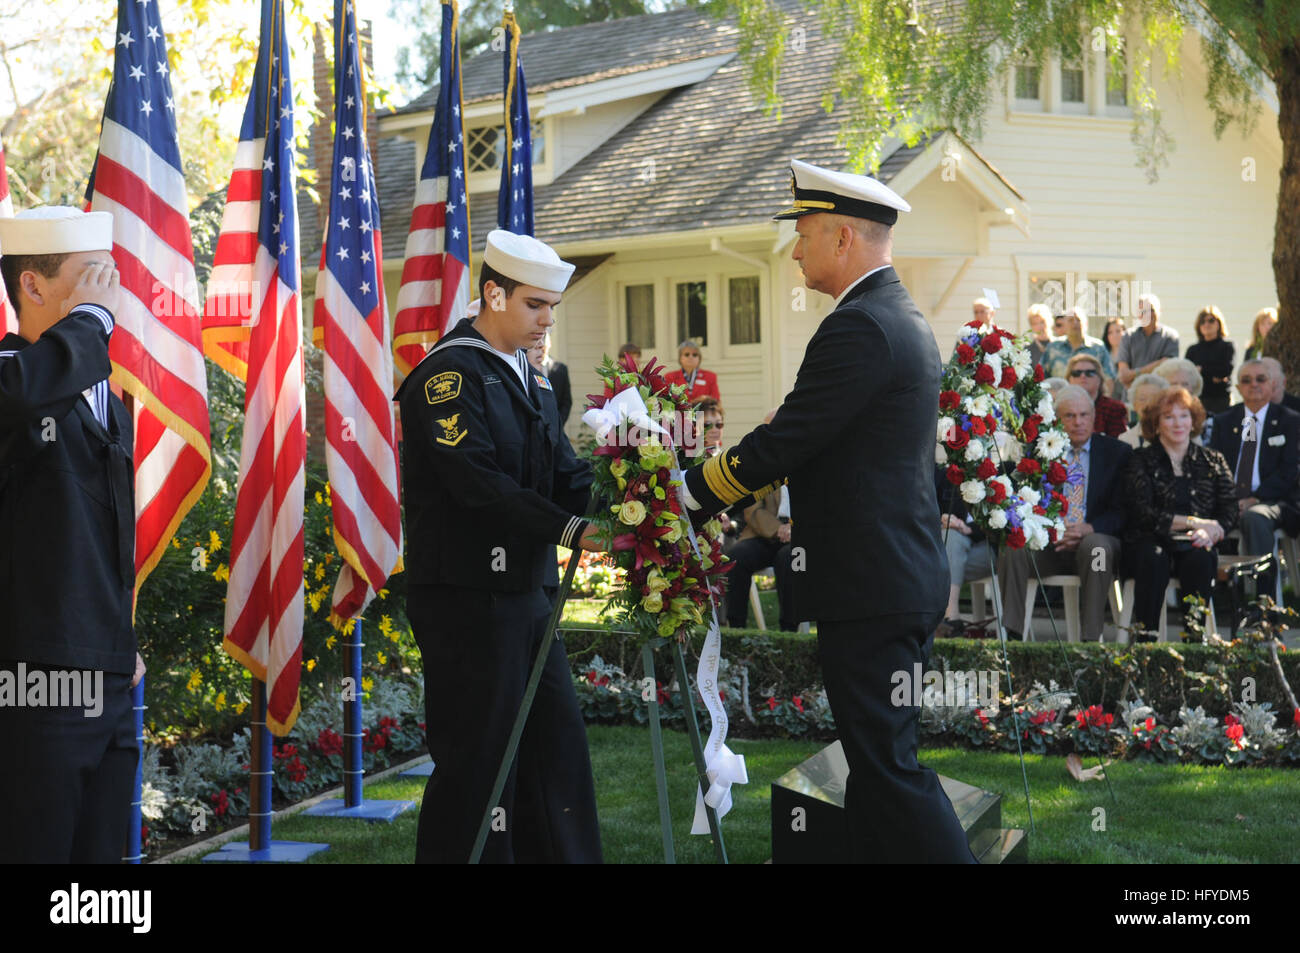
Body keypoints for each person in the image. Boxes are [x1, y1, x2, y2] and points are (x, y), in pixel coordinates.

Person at [680, 158, 974, 863]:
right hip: (885, 576)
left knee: (886, 768)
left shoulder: (862, 325)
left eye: (805, 232)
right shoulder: (890, 315)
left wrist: (690, 493)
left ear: (844, 237)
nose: (797, 249)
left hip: (873, 584)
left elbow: (789, 438)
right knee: (874, 770)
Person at [394, 228, 604, 863]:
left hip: (527, 593)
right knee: (481, 763)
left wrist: (634, 505)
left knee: (554, 750)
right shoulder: (447, 375)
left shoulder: (533, 379)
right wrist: (572, 532)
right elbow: (477, 484)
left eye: (552, 309)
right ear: (493, 294)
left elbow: (566, 473)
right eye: (535, 305)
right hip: (467, 597)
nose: (546, 320)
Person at [0, 206, 144, 863]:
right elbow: (24, 393)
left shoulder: (106, 399)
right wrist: (90, 324)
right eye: (95, 278)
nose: (111, 295)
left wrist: (123, 646)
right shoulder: (14, 379)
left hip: (107, 679)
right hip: (35, 684)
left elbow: (107, 538)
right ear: (33, 285)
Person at [997, 386, 1131, 641]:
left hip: (1096, 548)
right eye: (1069, 416)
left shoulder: (1117, 454)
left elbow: (1124, 510)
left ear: (1093, 418)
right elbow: (1025, 502)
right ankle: (1012, 636)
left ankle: (1091, 640)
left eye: (1083, 415)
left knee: (1097, 550)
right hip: (1050, 546)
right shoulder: (1041, 452)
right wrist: (1048, 528)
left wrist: (1089, 528)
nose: (1078, 422)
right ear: (1057, 420)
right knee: (1012, 548)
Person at [1124, 387, 1237, 639]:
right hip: (1150, 538)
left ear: (1194, 420)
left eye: (1184, 415)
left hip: (1197, 542)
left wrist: (1213, 530)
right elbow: (1141, 512)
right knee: (1152, 558)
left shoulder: (1212, 460)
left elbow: (1229, 508)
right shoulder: (1140, 459)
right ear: (1156, 423)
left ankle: (1194, 643)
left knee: (1201, 560)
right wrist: (1192, 522)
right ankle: (1146, 642)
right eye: (1169, 416)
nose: (1178, 423)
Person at [1207, 359, 1300, 597]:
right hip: (1230, 499)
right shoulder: (1224, 421)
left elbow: (1290, 471)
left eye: (1261, 379)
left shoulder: (1291, 421)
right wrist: (1230, 499)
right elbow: (1216, 466)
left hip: (1273, 502)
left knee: (1255, 518)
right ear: (1238, 388)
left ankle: (1262, 605)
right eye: (1246, 380)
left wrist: (1255, 498)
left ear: (1273, 384)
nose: (1254, 385)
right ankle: (1206, 601)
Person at [724, 413, 793, 629]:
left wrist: (793, 529)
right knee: (735, 557)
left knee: (791, 559)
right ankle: (736, 629)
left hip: (799, 538)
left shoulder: (807, 458)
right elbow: (752, 511)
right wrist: (778, 529)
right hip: (765, 534)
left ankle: (789, 631)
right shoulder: (759, 463)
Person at [935, 465, 992, 638]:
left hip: (989, 550)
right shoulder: (947, 475)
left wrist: (967, 527)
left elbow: (1002, 522)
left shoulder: (999, 474)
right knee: (950, 537)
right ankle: (952, 616)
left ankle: (949, 621)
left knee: (944, 562)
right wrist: (943, 519)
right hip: (954, 549)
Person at [1117, 293, 1179, 388]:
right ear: (1138, 314)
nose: (1148, 314)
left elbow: (1168, 367)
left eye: (1152, 310)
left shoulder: (1170, 336)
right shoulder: (1128, 336)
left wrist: (1133, 374)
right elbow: (1124, 376)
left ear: (1160, 311)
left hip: (1161, 394)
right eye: (1144, 311)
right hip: (1132, 395)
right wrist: (1157, 364)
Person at [1043, 306, 1116, 383]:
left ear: (1086, 324)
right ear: (1064, 325)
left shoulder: (1098, 347)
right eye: (1070, 320)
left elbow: (1109, 378)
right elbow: (1042, 377)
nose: (1075, 323)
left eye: (1078, 320)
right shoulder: (1053, 347)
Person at [1065, 352, 1127, 438]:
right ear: (1069, 379)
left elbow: (1118, 445)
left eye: (1089, 373)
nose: (1083, 376)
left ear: (1100, 379)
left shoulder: (1114, 408)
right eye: (1077, 373)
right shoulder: (1061, 409)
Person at [1185, 306, 1234, 415]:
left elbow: (1225, 370)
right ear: (1199, 326)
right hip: (1198, 399)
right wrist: (1213, 374)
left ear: (1219, 324)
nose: (1207, 324)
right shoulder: (1193, 350)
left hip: (1220, 400)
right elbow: (1188, 374)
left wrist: (1201, 369)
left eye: (1211, 320)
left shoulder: (1227, 347)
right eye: (1203, 321)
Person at [527, 332, 571, 425]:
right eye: (537, 340)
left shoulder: (560, 369)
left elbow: (566, 402)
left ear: (549, 342)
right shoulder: (524, 366)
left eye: (543, 339)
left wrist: (557, 425)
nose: (540, 344)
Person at [1119, 373, 1169, 449]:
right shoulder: (1125, 439)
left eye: (1154, 398)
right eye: (1142, 399)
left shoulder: (1176, 434)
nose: (1148, 404)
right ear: (1135, 405)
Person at [664, 339, 721, 403]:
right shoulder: (670, 377)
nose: (691, 357)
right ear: (680, 358)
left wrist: (707, 399)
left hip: (703, 412)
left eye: (694, 355)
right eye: (687, 354)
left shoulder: (710, 376)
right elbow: (665, 400)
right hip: (678, 413)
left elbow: (716, 400)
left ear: (699, 358)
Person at [1103, 316, 1127, 404]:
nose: (1114, 335)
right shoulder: (1103, 355)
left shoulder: (1132, 354)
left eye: (1118, 331)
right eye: (1110, 332)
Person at [1025, 303, 1052, 370]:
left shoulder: (1059, 345)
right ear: (1031, 326)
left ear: (1049, 321)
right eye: (1035, 324)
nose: (1039, 326)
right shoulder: (1028, 350)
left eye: (1042, 322)